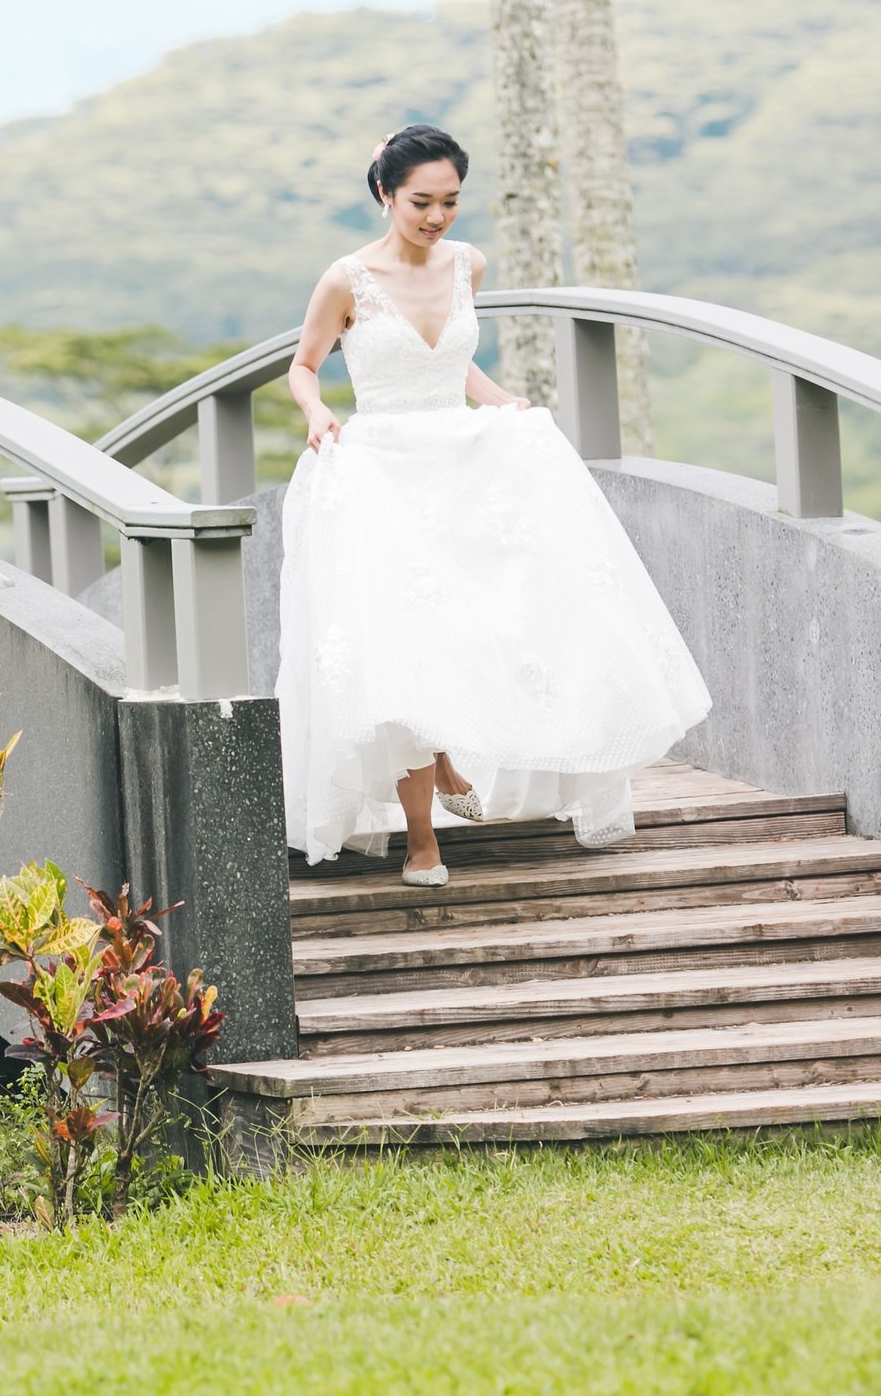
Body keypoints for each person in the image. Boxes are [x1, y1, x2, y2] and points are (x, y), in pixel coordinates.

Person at [275, 123, 711, 882]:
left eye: (449, 202)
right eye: (421, 202)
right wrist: (317, 415)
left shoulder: (466, 265)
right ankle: (421, 837)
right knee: (398, 647)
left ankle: (452, 754)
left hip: (464, 467)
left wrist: (504, 402)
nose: (437, 217)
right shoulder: (347, 278)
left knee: (486, 623)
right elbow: (304, 365)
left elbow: (454, 358)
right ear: (385, 192)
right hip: (382, 472)